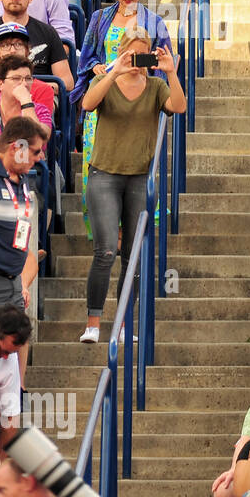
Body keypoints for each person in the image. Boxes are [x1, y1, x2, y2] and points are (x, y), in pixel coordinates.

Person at [77, 29, 185, 343]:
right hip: (105, 175)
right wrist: (114, 72)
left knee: (132, 253)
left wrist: (171, 73)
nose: (137, 63)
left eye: (143, 55)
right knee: (106, 250)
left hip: (139, 176)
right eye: (132, 55)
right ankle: (93, 323)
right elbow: (87, 104)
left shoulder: (155, 86)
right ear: (122, 52)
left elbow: (178, 107)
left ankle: (124, 324)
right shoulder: (105, 80)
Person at [0, 116, 45, 312]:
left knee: (17, 343)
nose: (40, 158)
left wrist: (22, 284)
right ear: (17, 148)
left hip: (14, 286)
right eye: (35, 152)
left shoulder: (21, 180)